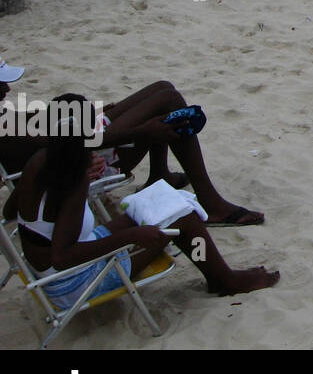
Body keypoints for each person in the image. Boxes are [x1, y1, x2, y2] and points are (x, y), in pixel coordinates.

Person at [4, 97, 278, 306]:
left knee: (162, 199)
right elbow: (63, 257)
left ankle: (215, 271)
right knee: (183, 219)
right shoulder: (74, 183)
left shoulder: (37, 163)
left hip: (47, 271)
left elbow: (9, 211)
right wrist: (133, 236)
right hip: (72, 283)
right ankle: (223, 279)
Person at [0, 78, 265, 228]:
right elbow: (65, 145)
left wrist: (95, 113)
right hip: (85, 158)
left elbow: (38, 120)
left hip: (83, 138)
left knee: (162, 88)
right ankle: (210, 201)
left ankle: (160, 175)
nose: (8, 88)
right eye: (2, 81)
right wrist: (142, 131)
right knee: (167, 103)